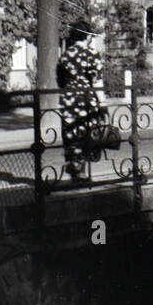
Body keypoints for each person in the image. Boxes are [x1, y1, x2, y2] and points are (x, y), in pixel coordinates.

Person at [56, 20, 103, 183]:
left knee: (71, 134)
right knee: (85, 134)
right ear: (87, 36)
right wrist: (103, 104)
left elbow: (60, 80)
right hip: (85, 100)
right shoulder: (91, 54)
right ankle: (81, 173)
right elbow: (97, 82)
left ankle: (75, 169)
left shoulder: (65, 55)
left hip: (68, 100)